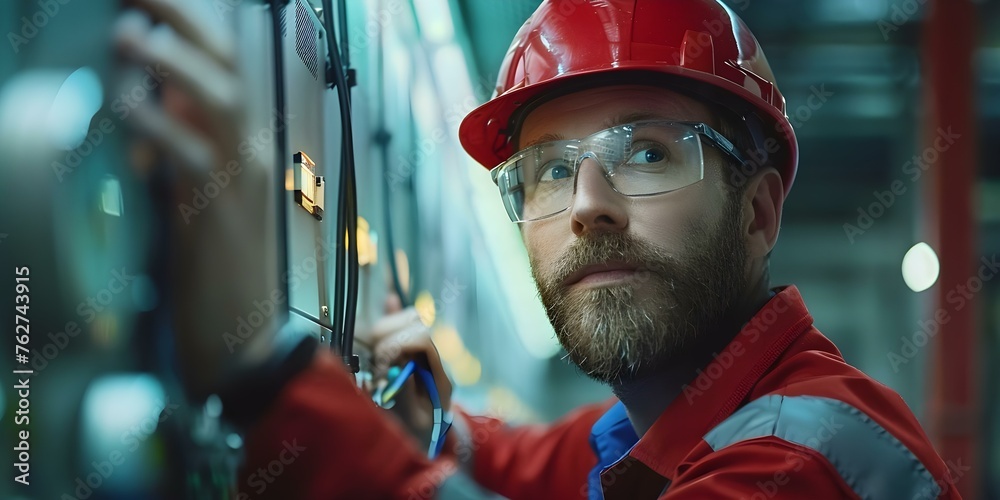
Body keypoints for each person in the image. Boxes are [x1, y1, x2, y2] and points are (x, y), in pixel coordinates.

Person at [114, 0, 962, 498]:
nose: (587, 206)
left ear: (759, 212)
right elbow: (551, 461)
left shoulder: (791, 461)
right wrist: (436, 429)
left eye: (649, 153)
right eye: (551, 170)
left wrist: (267, 373)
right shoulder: (671, 419)